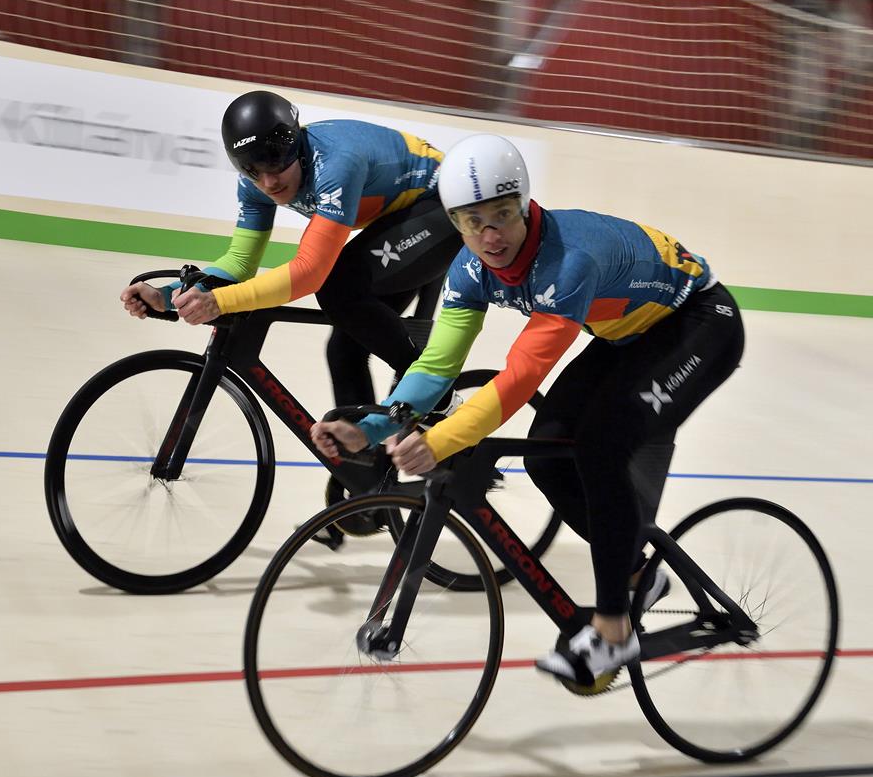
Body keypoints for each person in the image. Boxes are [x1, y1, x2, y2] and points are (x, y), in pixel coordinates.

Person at [311, 133, 745, 688]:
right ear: (454, 222)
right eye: (472, 222)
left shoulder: (569, 261)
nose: (490, 236)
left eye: (503, 214)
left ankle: (612, 632)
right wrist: (374, 427)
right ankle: (637, 570)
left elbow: (519, 379)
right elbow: (437, 366)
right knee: (547, 457)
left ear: (524, 203)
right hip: (629, 336)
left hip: (701, 324)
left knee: (600, 447)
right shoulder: (470, 270)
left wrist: (440, 441)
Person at [120, 90, 463, 534]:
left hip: (442, 204)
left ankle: (433, 394)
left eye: (276, 160)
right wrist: (169, 294)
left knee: (338, 290)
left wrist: (220, 302)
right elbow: (240, 263)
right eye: (253, 170)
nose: (269, 181)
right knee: (344, 347)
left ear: (297, 143)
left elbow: (309, 274)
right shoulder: (258, 182)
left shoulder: (337, 163)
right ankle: (371, 484)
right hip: (396, 216)